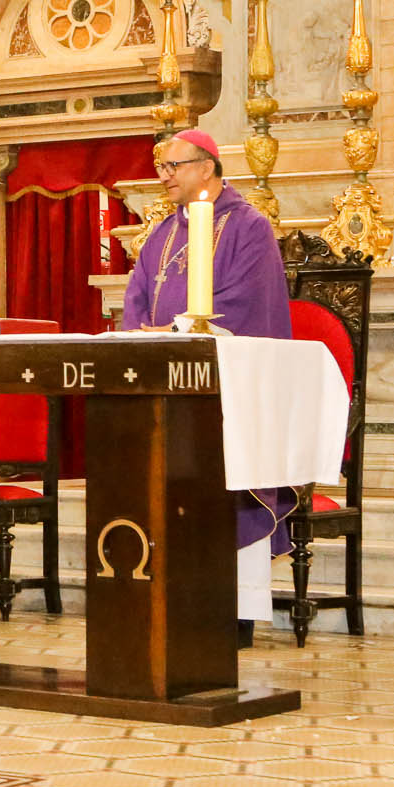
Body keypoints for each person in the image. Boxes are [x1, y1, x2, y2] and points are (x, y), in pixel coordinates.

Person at [122, 129, 294, 644]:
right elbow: (136, 299)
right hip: (172, 390)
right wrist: (145, 336)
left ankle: (234, 610)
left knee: (226, 487)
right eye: (163, 167)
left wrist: (179, 329)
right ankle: (183, 601)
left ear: (207, 167)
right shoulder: (162, 233)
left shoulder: (249, 228)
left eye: (174, 166)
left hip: (231, 389)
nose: (164, 176)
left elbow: (250, 303)